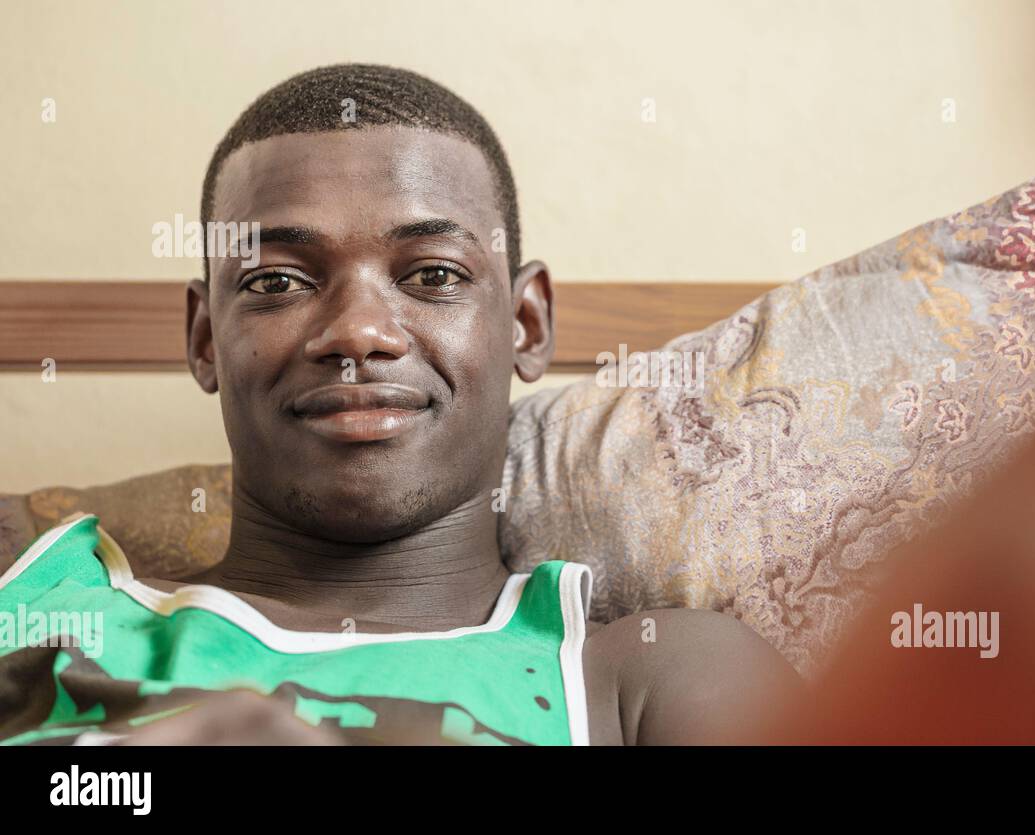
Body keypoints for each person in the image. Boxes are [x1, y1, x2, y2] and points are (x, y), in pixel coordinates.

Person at [0, 64, 799, 746]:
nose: (358, 331)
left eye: (433, 275)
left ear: (525, 324)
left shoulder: (653, 678)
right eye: (277, 282)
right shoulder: (40, 606)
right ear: (207, 339)